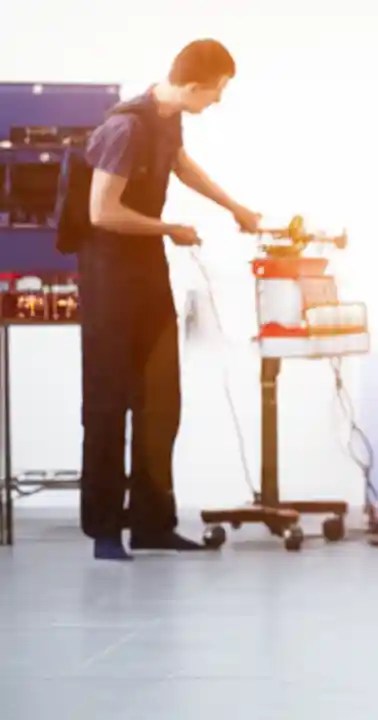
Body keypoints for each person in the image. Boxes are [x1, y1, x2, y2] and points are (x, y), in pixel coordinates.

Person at [79, 39, 260, 560]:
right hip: (109, 274)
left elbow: (181, 165)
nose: (219, 102)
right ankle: (107, 530)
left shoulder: (166, 119)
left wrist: (234, 207)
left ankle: (153, 523)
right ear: (194, 85)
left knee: (160, 401)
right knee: (109, 403)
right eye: (219, 91)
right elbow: (100, 212)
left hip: (146, 268)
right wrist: (169, 227)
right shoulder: (125, 127)